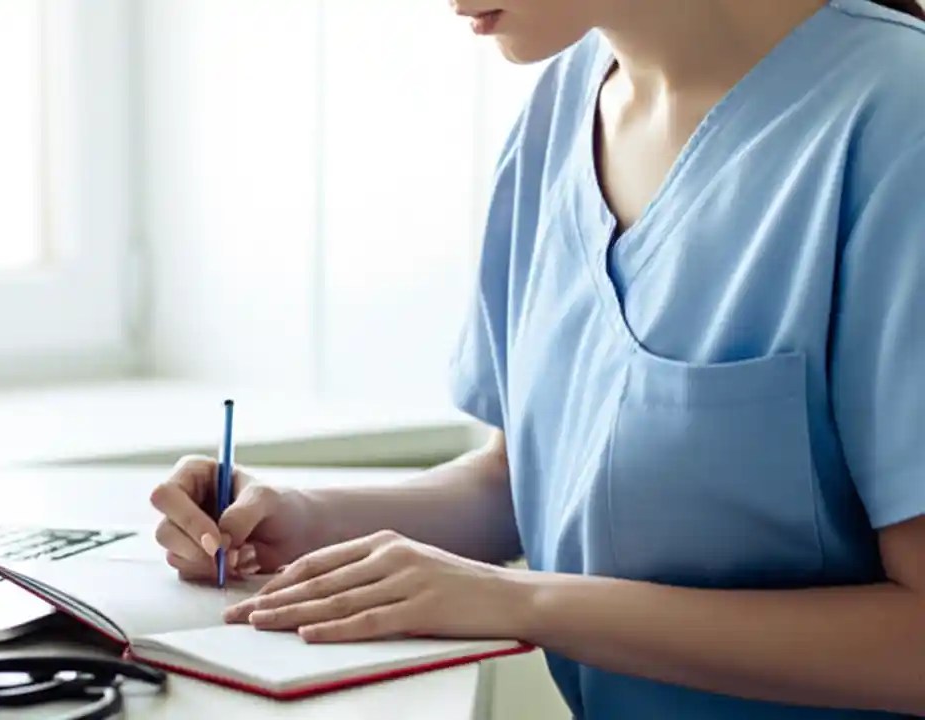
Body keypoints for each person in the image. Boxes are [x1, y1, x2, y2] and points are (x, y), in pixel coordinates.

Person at [148, 1, 925, 717]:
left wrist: (519, 602)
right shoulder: (561, 111)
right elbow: (523, 483)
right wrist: (304, 521)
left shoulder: (898, 128)